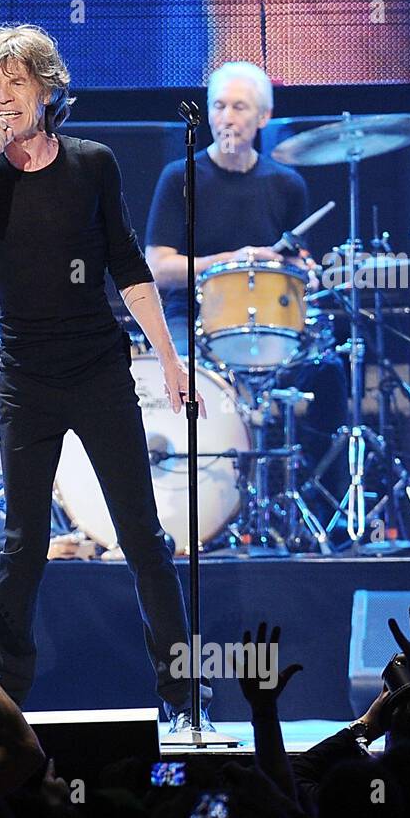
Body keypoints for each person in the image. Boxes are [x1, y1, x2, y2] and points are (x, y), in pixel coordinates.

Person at [0, 24, 211, 732]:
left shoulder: (92, 163)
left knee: (142, 535)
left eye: (16, 84)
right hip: (26, 378)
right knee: (23, 544)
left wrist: (172, 362)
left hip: (97, 368)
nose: (3, 97)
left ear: (47, 90)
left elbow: (126, 263)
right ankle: (4, 702)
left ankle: (182, 696)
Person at [144, 61, 347, 498]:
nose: (226, 117)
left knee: (330, 371)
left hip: (270, 325)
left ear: (263, 117)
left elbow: (298, 267)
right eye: (218, 106)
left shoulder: (287, 184)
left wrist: (303, 271)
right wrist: (232, 260)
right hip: (193, 319)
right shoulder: (180, 177)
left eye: (239, 107)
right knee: (176, 380)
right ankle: (189, 503)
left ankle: (318, 504)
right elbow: (158, 267)